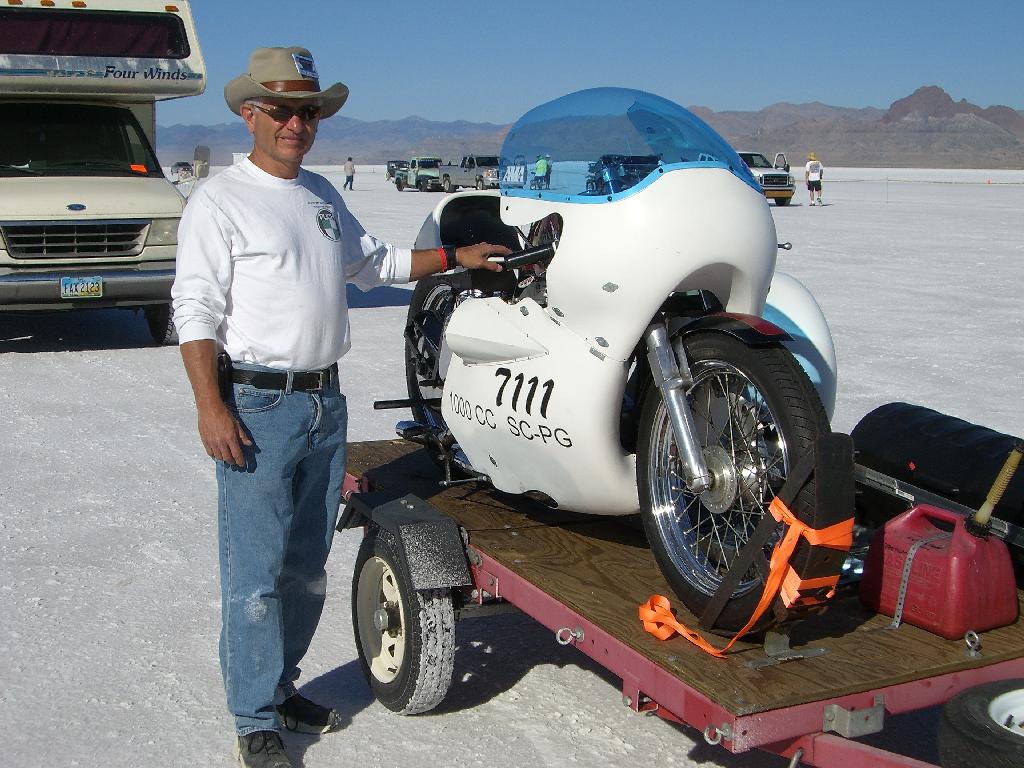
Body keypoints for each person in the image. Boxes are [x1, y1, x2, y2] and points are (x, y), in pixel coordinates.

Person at [170, 46, 509, 768]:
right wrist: (210, 406)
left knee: (306, 568)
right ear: (249, 113)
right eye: (284, 109)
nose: (299, 123)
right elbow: (194, 308)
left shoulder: (321, 195)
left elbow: (374, 262)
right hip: (258, 407)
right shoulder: (219, 202)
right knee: (255, 574)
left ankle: (283, 688)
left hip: (325, 404)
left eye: (310, 111)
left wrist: (458, 258)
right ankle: (255, 716)